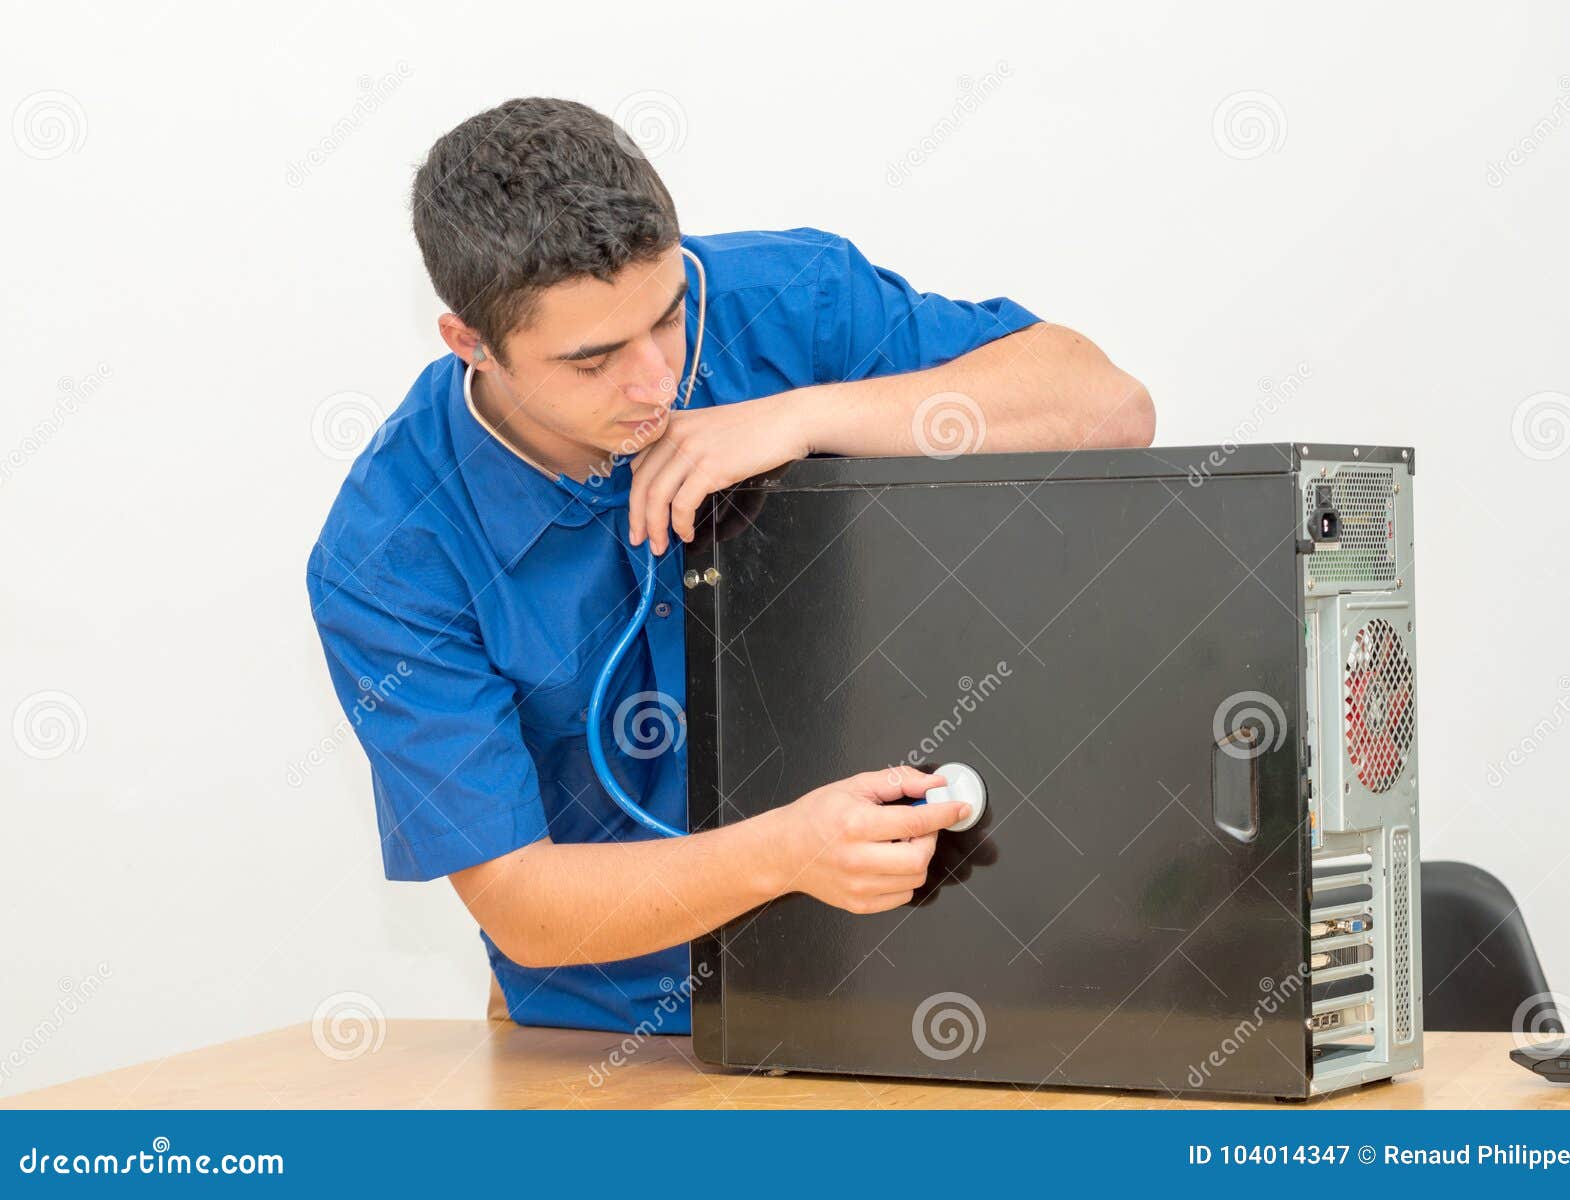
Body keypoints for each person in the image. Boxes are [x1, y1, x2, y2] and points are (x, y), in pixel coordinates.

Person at [306, 96, 1154, 1034]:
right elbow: (522, 901)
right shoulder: (387, 557)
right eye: (593, 363)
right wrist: (787, 854)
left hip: (920, 983)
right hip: (610, 1036)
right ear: (470, 341)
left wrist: (802, 416)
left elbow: (1106, 409)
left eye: (667, 318)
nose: (654, 381)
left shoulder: (793, 301)